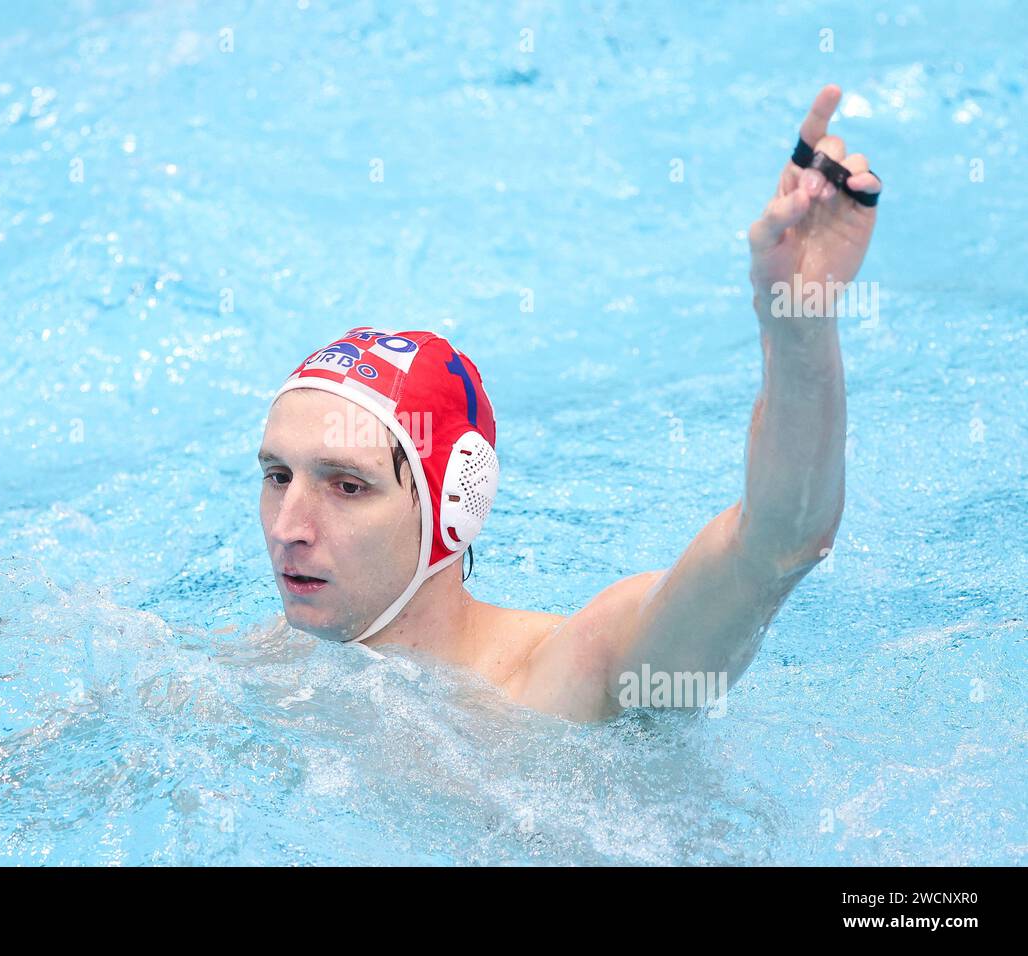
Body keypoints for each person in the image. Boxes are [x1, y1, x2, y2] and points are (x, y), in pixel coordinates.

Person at [257, 84, 881, 722]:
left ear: (453, 508)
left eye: (347, 486)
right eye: (278, 476)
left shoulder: (580, 681)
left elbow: (781, 541)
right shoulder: (258, 679)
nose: (288, 528)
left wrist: (797, 326)